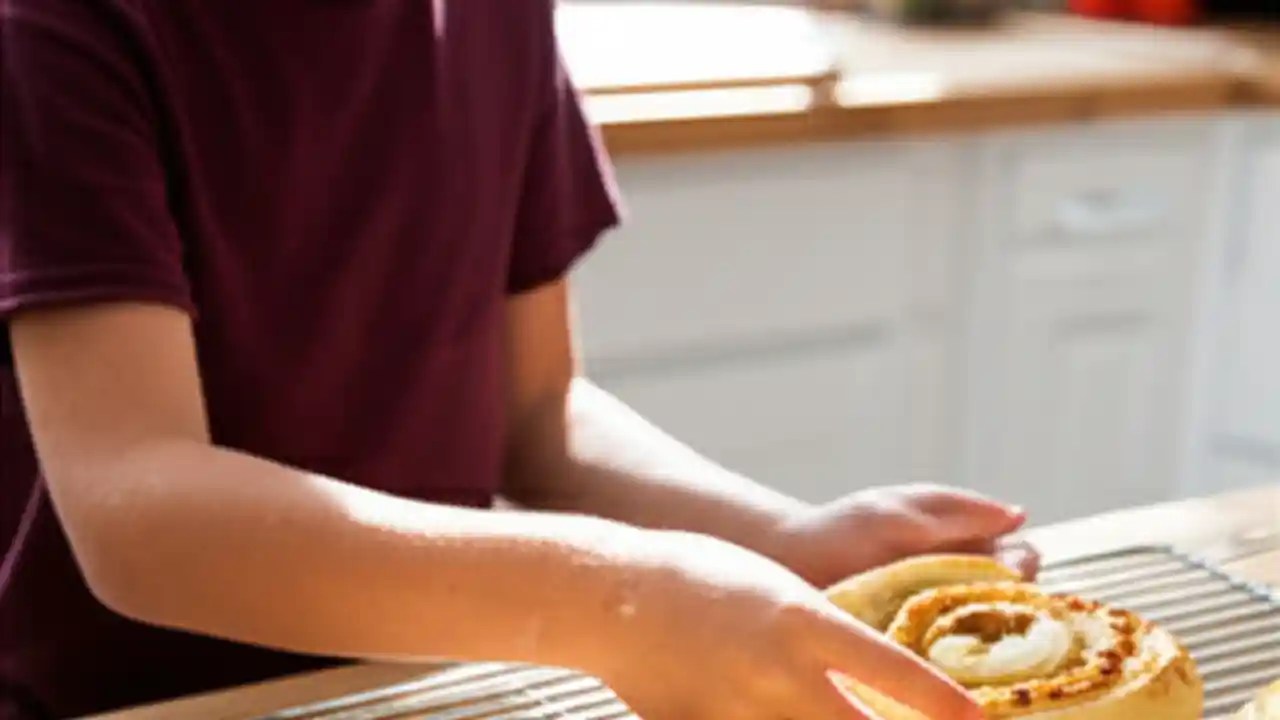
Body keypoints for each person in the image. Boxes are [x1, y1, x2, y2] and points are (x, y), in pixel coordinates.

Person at [0, 2, 1037, 718]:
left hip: (408, 688)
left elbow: (534, 412)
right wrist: (621, 599)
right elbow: (142, 516)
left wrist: (779, 539)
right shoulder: (60, 27)